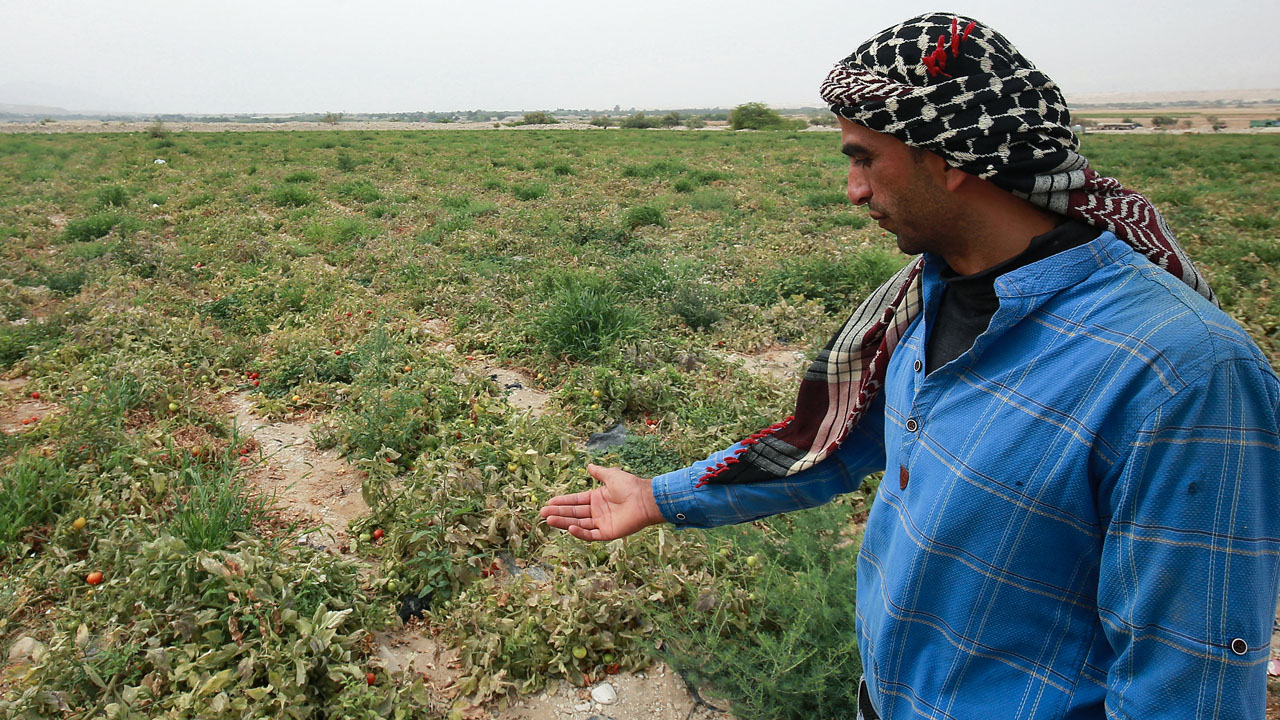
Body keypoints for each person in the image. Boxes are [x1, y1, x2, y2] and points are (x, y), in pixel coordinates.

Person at [541, 12, 1280, 719]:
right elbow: (833, 450)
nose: (854, 190)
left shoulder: (1182, 375)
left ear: (951, 157)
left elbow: (1187, 685)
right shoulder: (924, 301)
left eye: (864, 158)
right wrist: (659, 497)